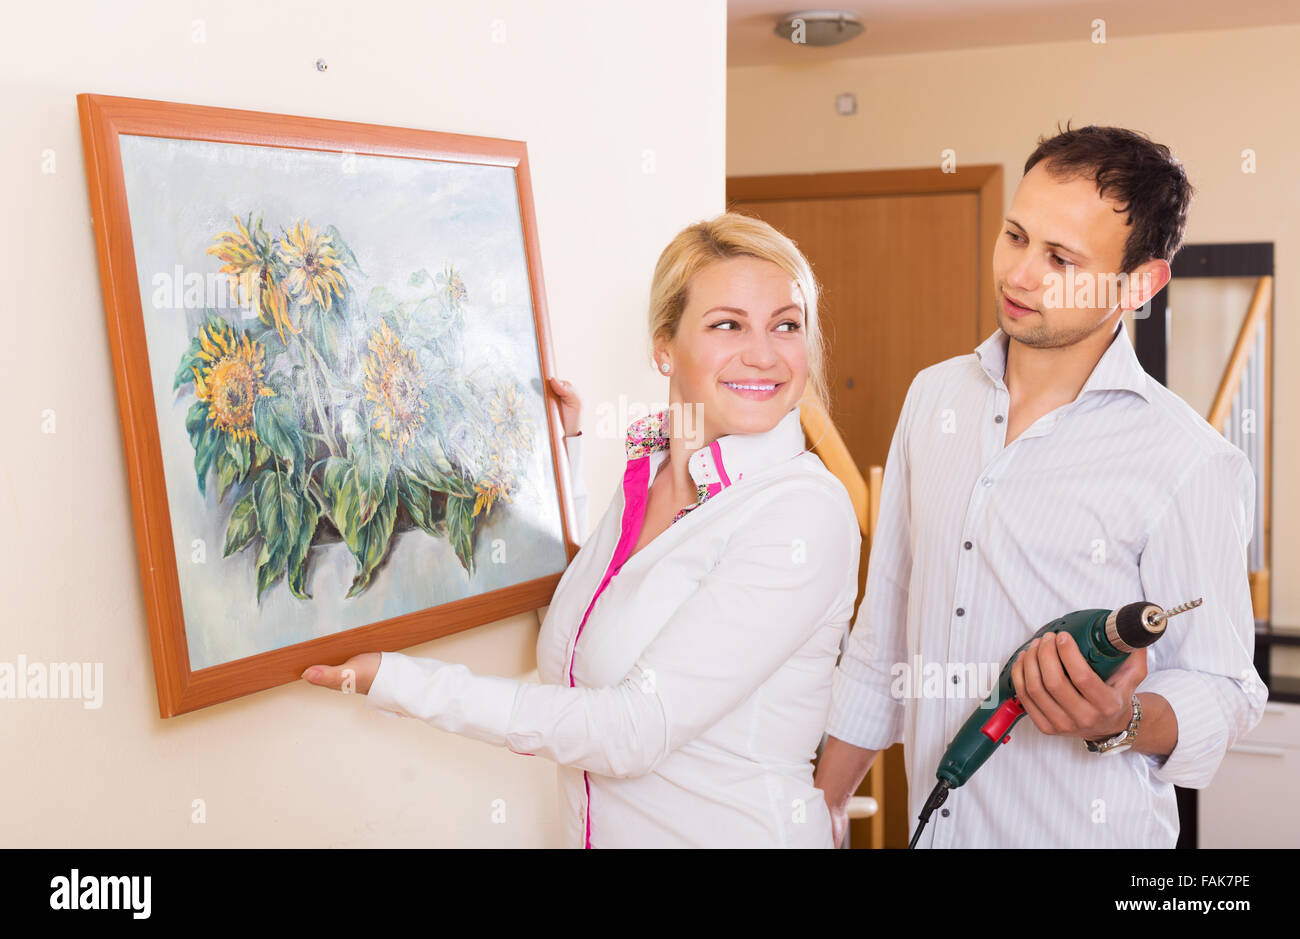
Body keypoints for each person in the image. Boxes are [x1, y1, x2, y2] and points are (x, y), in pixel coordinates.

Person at [304, 212, 862, 847]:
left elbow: (632, 729)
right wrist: (553, 461)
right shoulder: (650, 479)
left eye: (785, 326)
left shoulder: (801, 513)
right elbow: (584, 637)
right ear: (663, 346)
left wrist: (400, 681)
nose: (764, 354)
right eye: (728, 324)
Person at [814, 124, 1268, 848]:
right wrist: (824, 805)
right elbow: (885, 632)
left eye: (1061, 258)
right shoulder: (933, 399)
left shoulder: (1187, 459)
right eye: (1016, 236)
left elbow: (1228, 690)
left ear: (1141, 283)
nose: (1019, 274)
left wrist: (1119, 719)